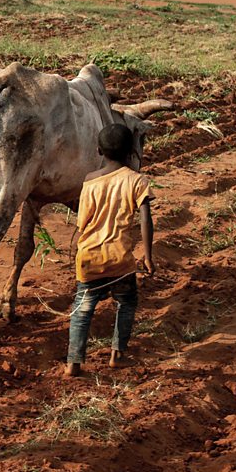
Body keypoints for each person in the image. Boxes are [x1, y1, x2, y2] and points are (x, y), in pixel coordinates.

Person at [65, 123, 154, 377]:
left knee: (82, 308)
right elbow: (146, 218)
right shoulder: (137, 181)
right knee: (126, 302)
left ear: (98, 150)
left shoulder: (89, 181)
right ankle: (118, 355)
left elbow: (82, 221)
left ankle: (74, 362)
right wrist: (147, 256)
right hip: (120, 260)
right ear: (131, 152)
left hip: (89, 257)